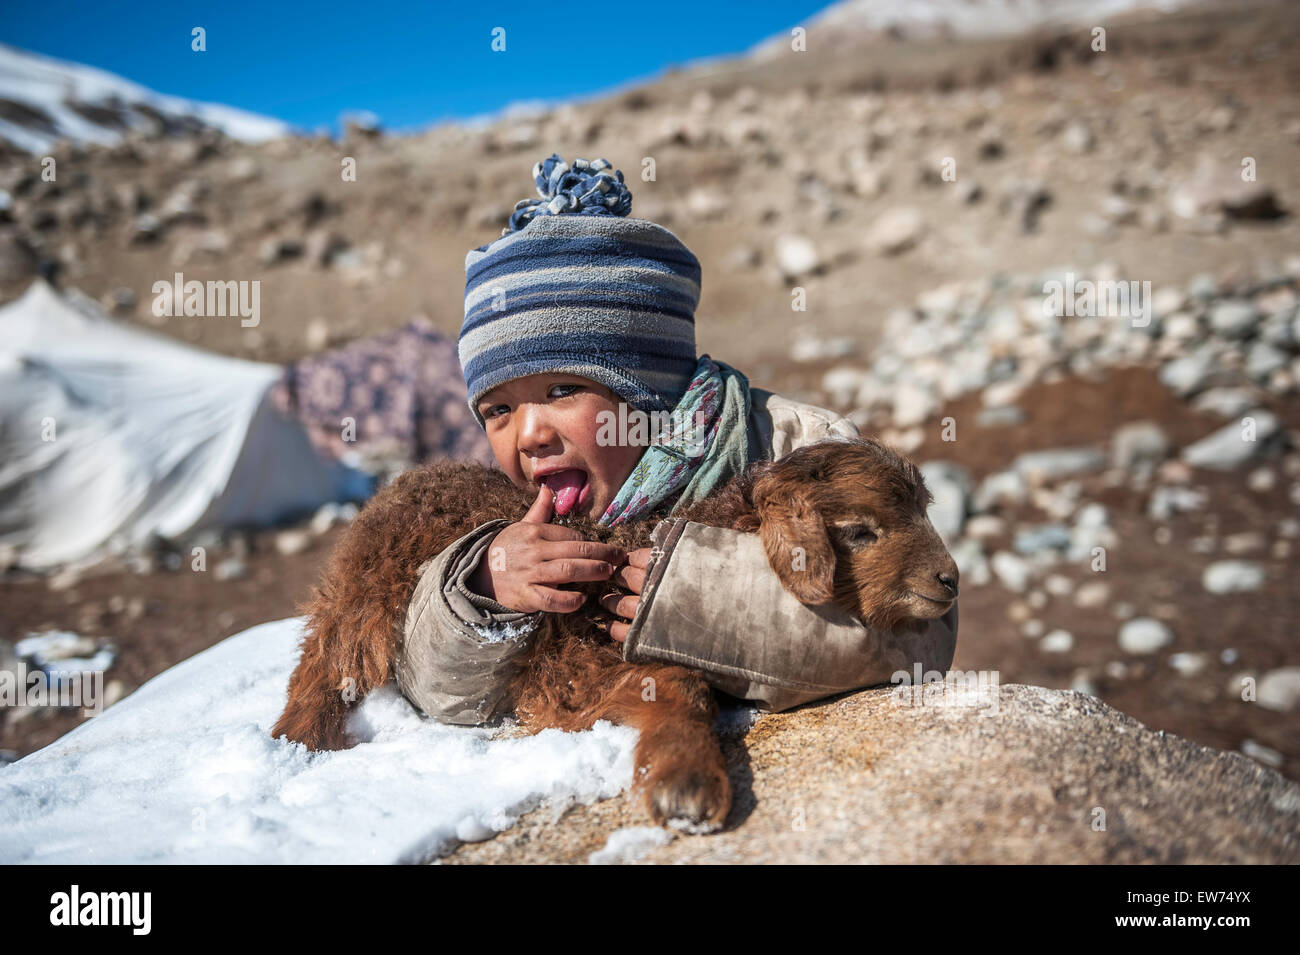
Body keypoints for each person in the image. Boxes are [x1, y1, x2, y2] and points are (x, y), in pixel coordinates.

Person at [396, 154, 958, 725]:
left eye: (563, 389)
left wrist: (708, 604)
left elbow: (922, 640)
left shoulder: (801, 448)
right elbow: (426, 688)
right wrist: (483, 590)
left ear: (649, 391)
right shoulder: (511, 516)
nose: (530, 433)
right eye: (497, 410)